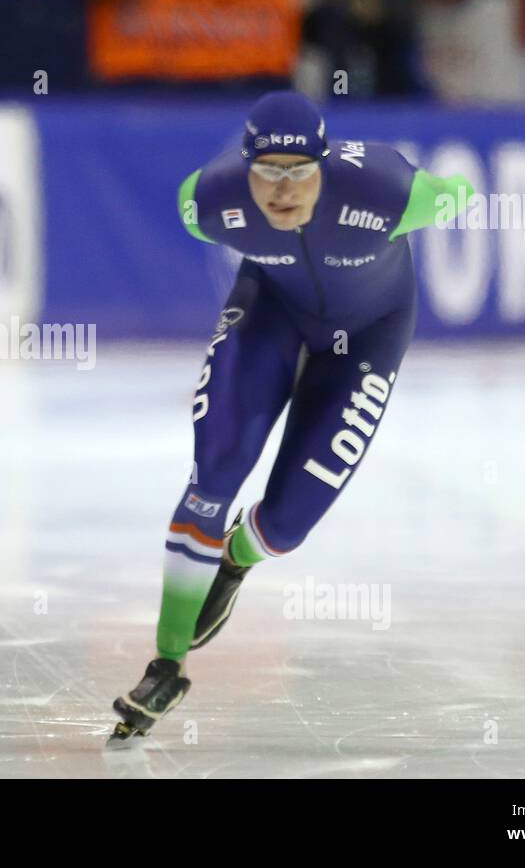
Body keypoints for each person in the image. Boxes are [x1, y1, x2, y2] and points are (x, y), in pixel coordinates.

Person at [109, 91, 472, 742]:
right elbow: (191, 205)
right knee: (214, 471)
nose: (282, 190)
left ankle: (237, 558)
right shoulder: (211, 201)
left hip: (369, 334)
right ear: (244, 170)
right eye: (267, 172)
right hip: (271, 314)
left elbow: (460, 190)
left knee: (285, 524)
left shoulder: (387, 190)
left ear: (325, 165)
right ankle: (165, 664)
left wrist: (450, 198)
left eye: (299, 171)